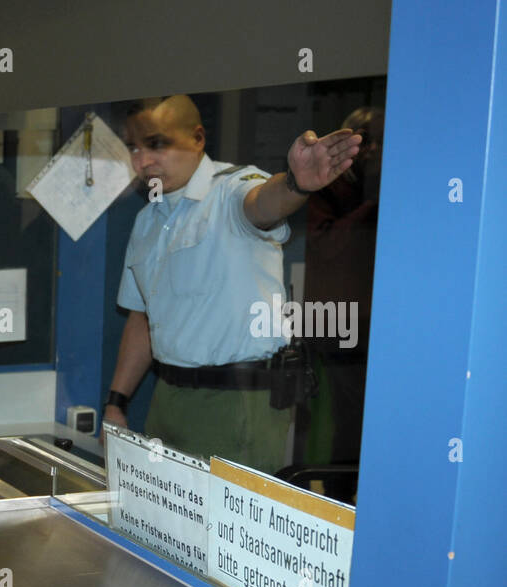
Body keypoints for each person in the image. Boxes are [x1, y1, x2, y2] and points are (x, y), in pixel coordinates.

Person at [102, 95, 362, 474]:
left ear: (197, 138)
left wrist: (295, 184)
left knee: (223, 530)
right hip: (168, 397)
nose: (143, 161)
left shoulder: (231, 189)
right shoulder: (148, 220)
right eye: (134, 148)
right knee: (163, 528)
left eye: (157, 144)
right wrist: (116, 402)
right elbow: (142, 317)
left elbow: (261, 205)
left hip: (234, 401)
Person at [303, 107, 382, 501]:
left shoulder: (376, 188)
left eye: (380, 143)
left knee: (369, 420)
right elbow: (326, 244)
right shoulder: (329, 188)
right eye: (367, 141)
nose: (373, 152)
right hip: (336, 326)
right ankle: (337, 498)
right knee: (348, 423)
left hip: (374, 325)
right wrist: (372, 208)